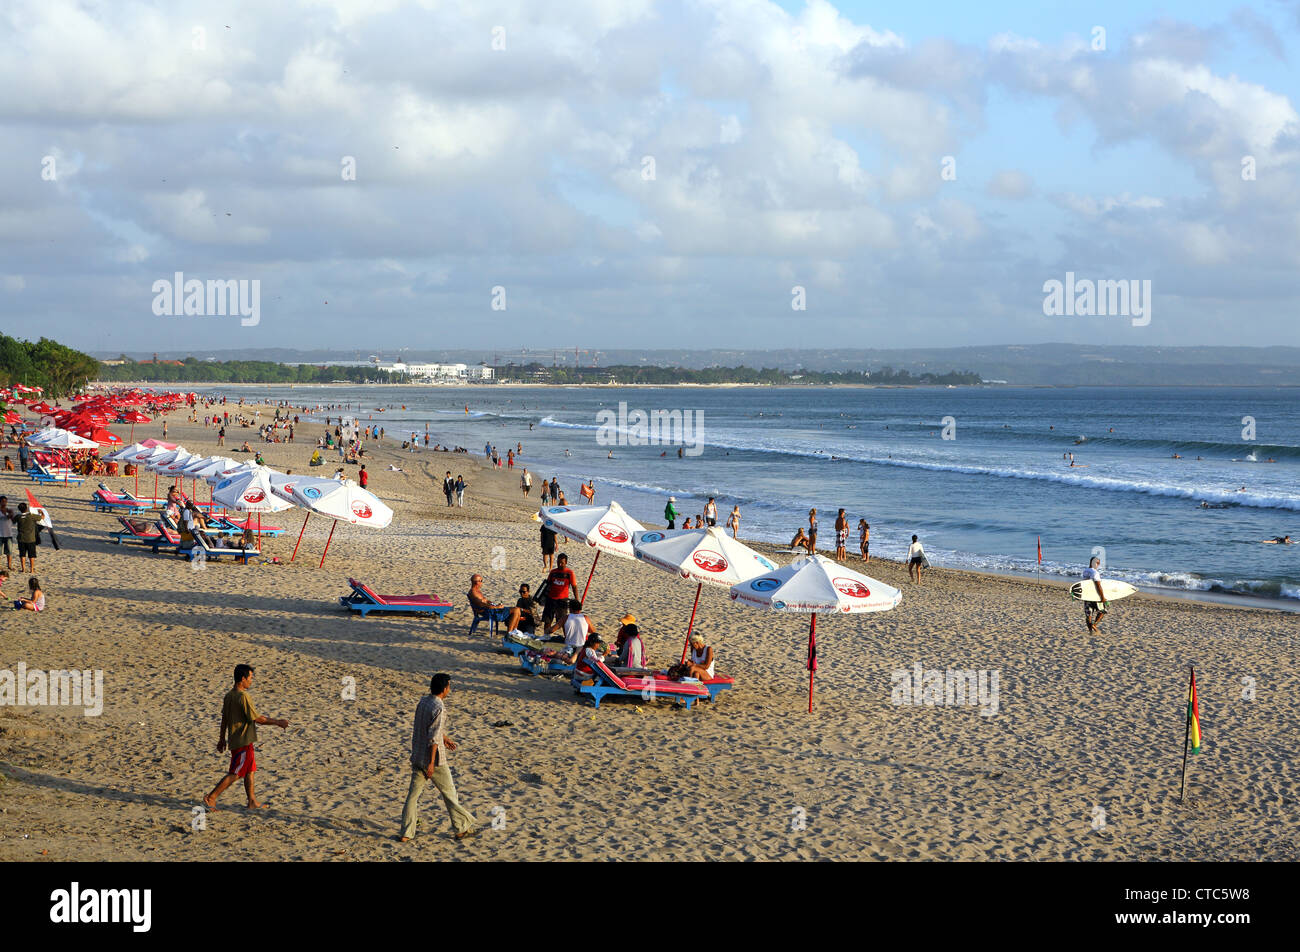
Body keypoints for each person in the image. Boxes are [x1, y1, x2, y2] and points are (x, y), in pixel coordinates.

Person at [400, 673, 478, 841]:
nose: (449, 689)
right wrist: (431, 763)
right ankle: (461, 828)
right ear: (444, 689)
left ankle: (406, 833)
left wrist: (445, 738)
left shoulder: (424, 702)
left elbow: (429, 728)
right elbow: (433, 738)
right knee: (450, 793)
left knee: (412, 796)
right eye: (449, 686)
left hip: (418, 756)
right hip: (434, 761)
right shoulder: (439, 707)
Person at [203, 664, 289, 811]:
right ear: (242, 679)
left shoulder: (229, 695)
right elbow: (257, 719)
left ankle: (252, 802)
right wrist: (278, 722)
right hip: (242, 740)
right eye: (250, 678)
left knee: (250, 769)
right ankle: (211, 797)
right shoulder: (243, 697)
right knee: (237, 772)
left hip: (237, 739)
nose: (251, 681)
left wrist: (222, 738)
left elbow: (224, 719)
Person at [543, 555, 578, 633]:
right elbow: (547, 584)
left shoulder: (569, 573)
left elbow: (574, 587)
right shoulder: (553, 572)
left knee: (563, 621)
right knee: (548, 620)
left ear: (566, 563)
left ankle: (567, 638)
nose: (560, 565)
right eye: (558, 562)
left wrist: (577, 599)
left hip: (562, 600)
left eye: (562, 563)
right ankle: (545, 636)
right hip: (551, 599)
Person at [1081, 556, 1108, 632]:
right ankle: (1094, 625)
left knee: (1088, 614)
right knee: (1103, 611)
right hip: (1095, 596)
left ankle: (1090, 631)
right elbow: (1098, 585)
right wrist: (1102, 597)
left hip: (1087, 595)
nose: (1098, 565)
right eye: (1098, 563)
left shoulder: (1085, 571)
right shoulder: (1095, 573)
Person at [15, 502, 41, 574]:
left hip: (21, 538)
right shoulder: (31, 516)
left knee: (22, 554)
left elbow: (13, 520)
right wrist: (41, 512)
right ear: (26, 508)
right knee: (31, 554)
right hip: (30, 538)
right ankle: (31, 569)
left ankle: (23, 569)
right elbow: (41, 518)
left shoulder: (18, 517)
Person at [0, 495, 14, 571]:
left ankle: (9, 566)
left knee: (9, 551)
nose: (4, 503)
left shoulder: (9, 510)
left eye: (5, 501)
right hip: (0, 534)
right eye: (3, 501)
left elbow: (12, 519)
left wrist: (10, 514)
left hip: (8, 534)